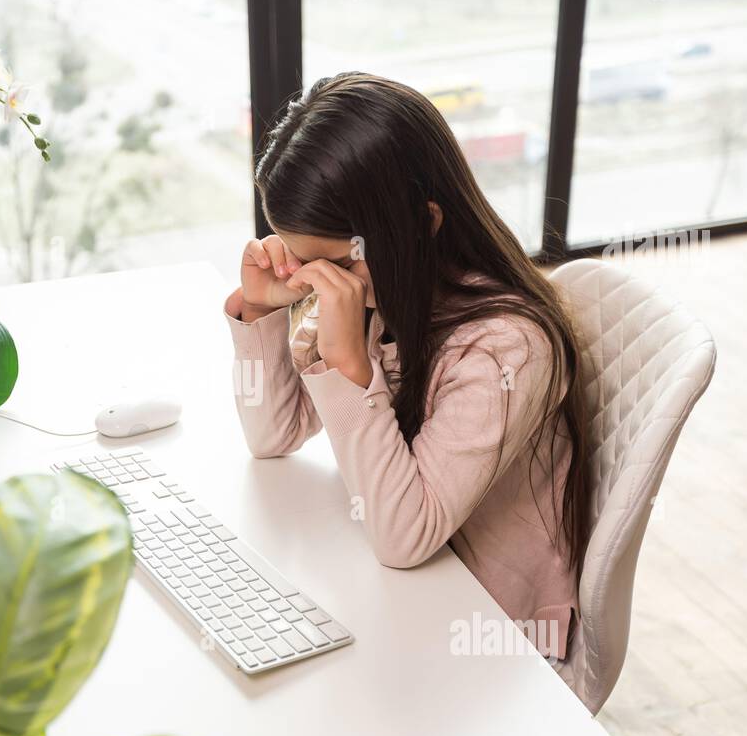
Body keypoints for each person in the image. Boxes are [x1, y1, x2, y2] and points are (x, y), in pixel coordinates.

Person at [224, 72, 590, 659]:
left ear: (423, 224)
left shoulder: (506, 347)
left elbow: (402, 537)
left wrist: (347, 366)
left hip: (493, 626)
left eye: (334, 261)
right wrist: (262, 314)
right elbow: (274, 435)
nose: (317, 280)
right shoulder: (375, 292)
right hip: (408, 588)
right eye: (299, 256)